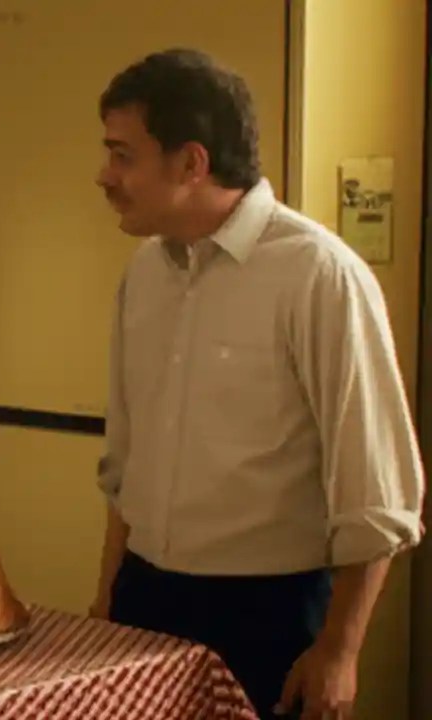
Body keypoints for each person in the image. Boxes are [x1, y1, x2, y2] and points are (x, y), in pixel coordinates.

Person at [89, 48, 424, 720]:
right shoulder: (145, 274)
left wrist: (341, 651)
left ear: (191, 163)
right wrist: (106, 602)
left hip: (268, 613)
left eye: (124, 155)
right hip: (145, 598)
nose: (104, 175)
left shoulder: (318, 275)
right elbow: (127, 466)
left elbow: (377, 492)